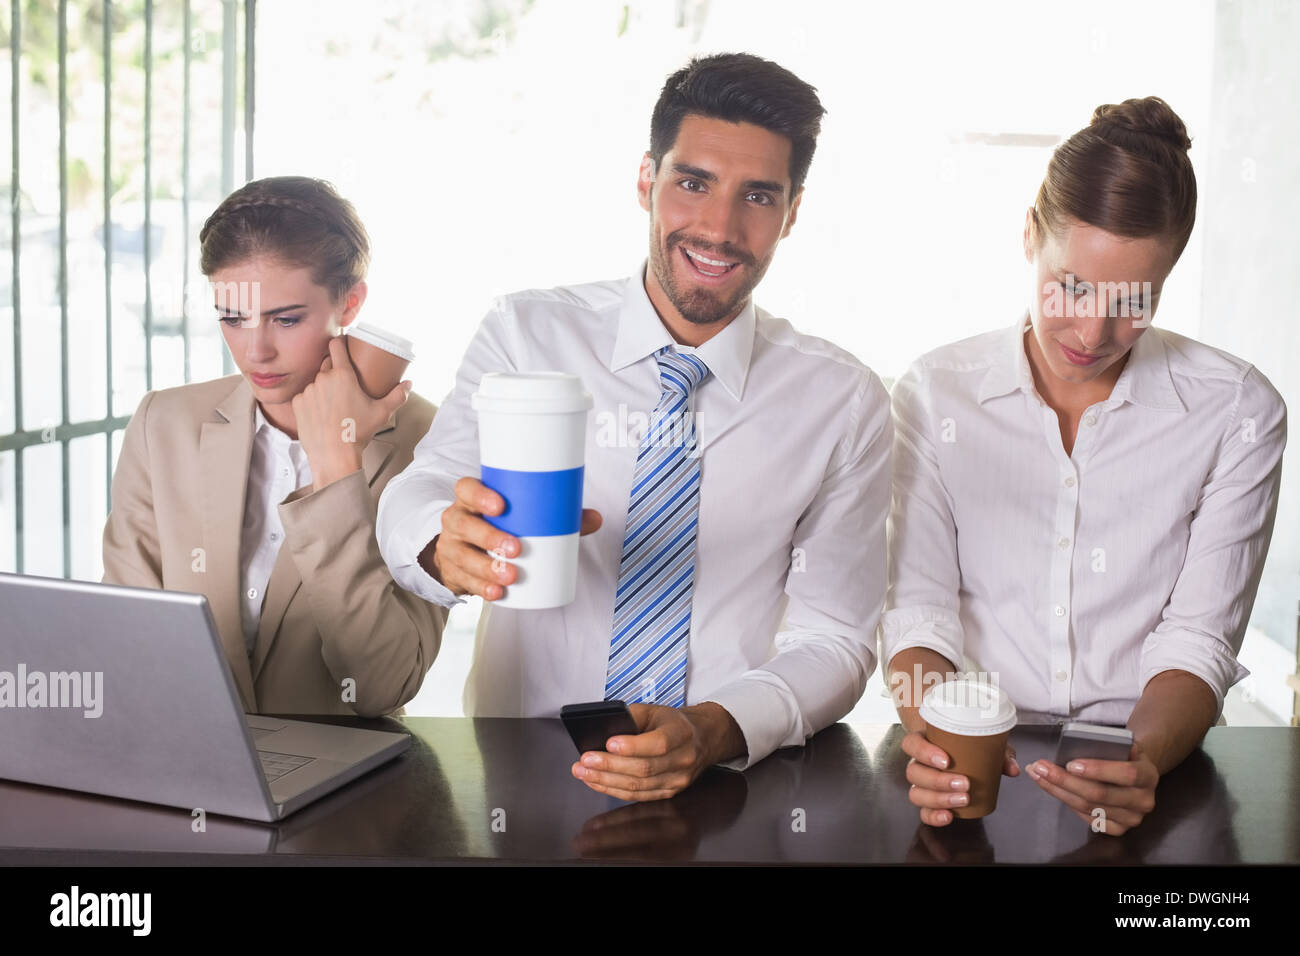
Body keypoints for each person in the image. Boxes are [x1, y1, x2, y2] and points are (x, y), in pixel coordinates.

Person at [377, 53, 892, 801]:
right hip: (525, 773)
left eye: (758, 196)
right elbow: (421, 486)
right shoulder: (527, 334)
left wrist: (714, 729)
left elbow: (836, 639)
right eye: (693, 183)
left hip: (726, 785)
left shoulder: (842, 399)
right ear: (646, 179)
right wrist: (440, 539)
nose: (719, 229)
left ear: (793, 211)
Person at [884, 97, 1286, 834]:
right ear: (1030, 235)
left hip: (1153, 763)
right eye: (1070, 285)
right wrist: (945, 745)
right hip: (970, 750)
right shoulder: (935, 392)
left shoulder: (1238, 410)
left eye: (1135, 300)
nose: (1094, 332)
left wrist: (1142, 759)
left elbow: (1198, 639)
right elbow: (919, 614)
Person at [102, 176, 446, 717]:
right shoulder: (163, 423)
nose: (256, 350)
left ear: (349, 302)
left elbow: (381, 684)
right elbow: (126, 634)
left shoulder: (429, 443)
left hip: (348, 781)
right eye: (233, 319)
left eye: (286, 319)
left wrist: (337, 467)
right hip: (180, 759)